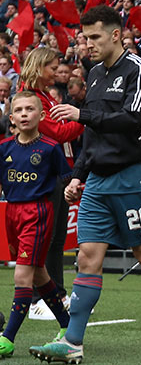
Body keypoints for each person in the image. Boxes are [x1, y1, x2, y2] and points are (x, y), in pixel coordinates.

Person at [29, 5, 141, 362]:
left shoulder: (139, 69)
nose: (88, 45)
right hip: (97, 181)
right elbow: (93, 136)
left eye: (95, 37)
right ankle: (73, 341)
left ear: (115, 35)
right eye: (85, 38)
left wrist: (83, 114)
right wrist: (77, 176)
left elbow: (133, 119)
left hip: (131, 177)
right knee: (87, 257)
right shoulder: (94, 73)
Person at [0, 92, 72, 358]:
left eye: (30, 109)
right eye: (18, 110)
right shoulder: (4, 147)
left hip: (37, 212)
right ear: (12, 118)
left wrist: (73, 187)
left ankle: (7, 339)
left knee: (22, 275)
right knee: (39, 273)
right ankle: (68, 326)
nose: (24, 114)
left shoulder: (50, 147)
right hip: (12, 213)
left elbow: (68, 176)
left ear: (41, 116)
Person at [18, 47, 84, 322]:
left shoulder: (42, 95)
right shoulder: (30, 97)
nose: (56, 72)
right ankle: (37, 298)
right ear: (40, 66)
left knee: (56, 238)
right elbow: (56, 132)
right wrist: (85, 119)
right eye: (52, 67)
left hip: (55, 170)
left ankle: (55, 293)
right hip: (41, 171)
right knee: (45, 239)